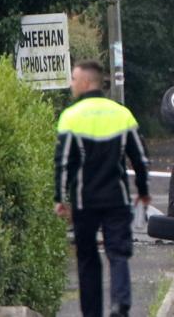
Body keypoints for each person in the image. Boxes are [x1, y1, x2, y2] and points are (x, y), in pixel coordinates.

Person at [54, 61, 151, 317]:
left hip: (84, 201)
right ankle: (120, 304)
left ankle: (92, 313)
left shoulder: (70, 117)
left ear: (86, 83)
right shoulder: (122, 114)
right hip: (116, 198)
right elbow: (140, 158)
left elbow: (63, 163)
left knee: (87, 259)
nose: (71, 84)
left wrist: (60, 198)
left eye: (74, 79)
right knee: (118, 252)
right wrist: (143, 190)